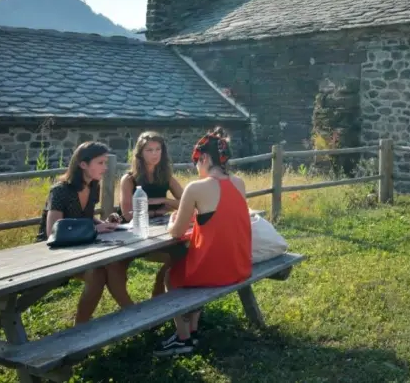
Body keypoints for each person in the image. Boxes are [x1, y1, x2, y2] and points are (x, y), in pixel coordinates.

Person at [154, 128, 251, 357]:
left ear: (205, 158)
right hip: (239, 266)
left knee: (172, 275)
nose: (197, 167)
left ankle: (183, 337)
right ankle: (194, 329)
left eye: (197, 162)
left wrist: (171, 222)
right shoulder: (239, 183)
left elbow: (177, 233)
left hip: (215, 272)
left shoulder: (196, 188)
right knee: (192, 268)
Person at [36, 141, 133, 324]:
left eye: (105, 163)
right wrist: (95, 228)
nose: (105, 168)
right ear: (83, 164)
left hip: (80, 246)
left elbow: (84, 218)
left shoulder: (93, 186)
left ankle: (132, 312)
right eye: (100, 163)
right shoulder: (60, 191)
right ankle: (82, 327)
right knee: (97, 273)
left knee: (112, 265)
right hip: (52, 251)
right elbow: (53, 230)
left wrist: (104, 224)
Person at [108, 131, 185, 300]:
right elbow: (128, 215)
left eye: (158, 149)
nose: (154, 154)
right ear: (140, 153)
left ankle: (158, 291)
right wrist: (157, 210)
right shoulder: (129, 179)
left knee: (183, 252)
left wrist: (163, 200)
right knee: (116, 267)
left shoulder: (166, 177)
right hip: (131, 233)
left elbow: (187, 203)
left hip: (159, 231)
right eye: (149, 150)